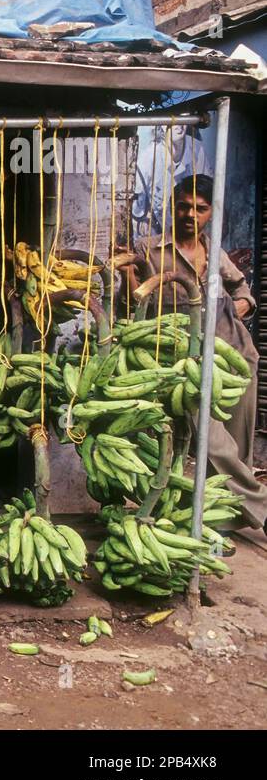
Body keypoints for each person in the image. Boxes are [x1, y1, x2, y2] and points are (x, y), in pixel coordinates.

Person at [120, 174, 266, 533]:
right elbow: (134, 302)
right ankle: (261, 507)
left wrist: (243, 304)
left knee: (238, 435)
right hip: (182, 353)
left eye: (199, 209)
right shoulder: (149, 249)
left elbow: (241, 286)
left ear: (210, 212)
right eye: (184, 206)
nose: (190, 215)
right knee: (210, 438)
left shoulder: (214, 252)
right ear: (174, 207)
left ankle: (229, 513)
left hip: (233, 350)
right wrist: (128, 277)